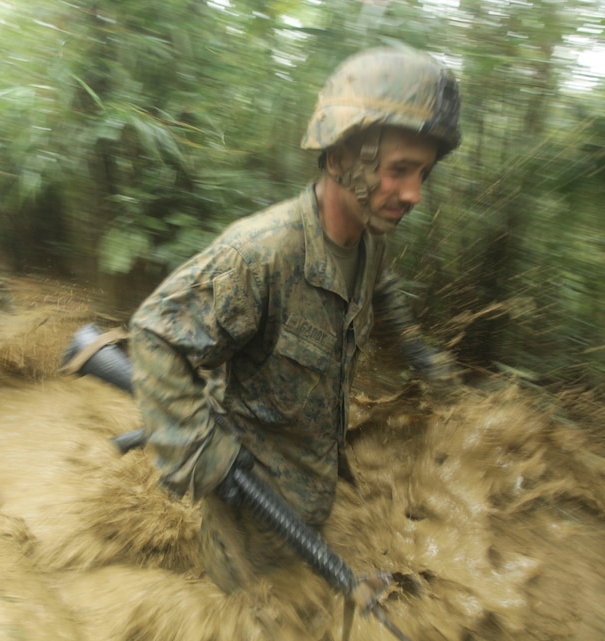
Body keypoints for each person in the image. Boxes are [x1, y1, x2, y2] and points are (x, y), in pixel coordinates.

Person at [128, 46, 463, 595]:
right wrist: (204, 455)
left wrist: (420, 355)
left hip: (312, 501)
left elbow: (381, 294)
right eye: (400, 170)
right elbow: (154, 334)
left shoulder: (369, 242)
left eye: (422, 173)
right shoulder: (262, 254)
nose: (414, 194)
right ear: (338, 159)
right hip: (248, 520)